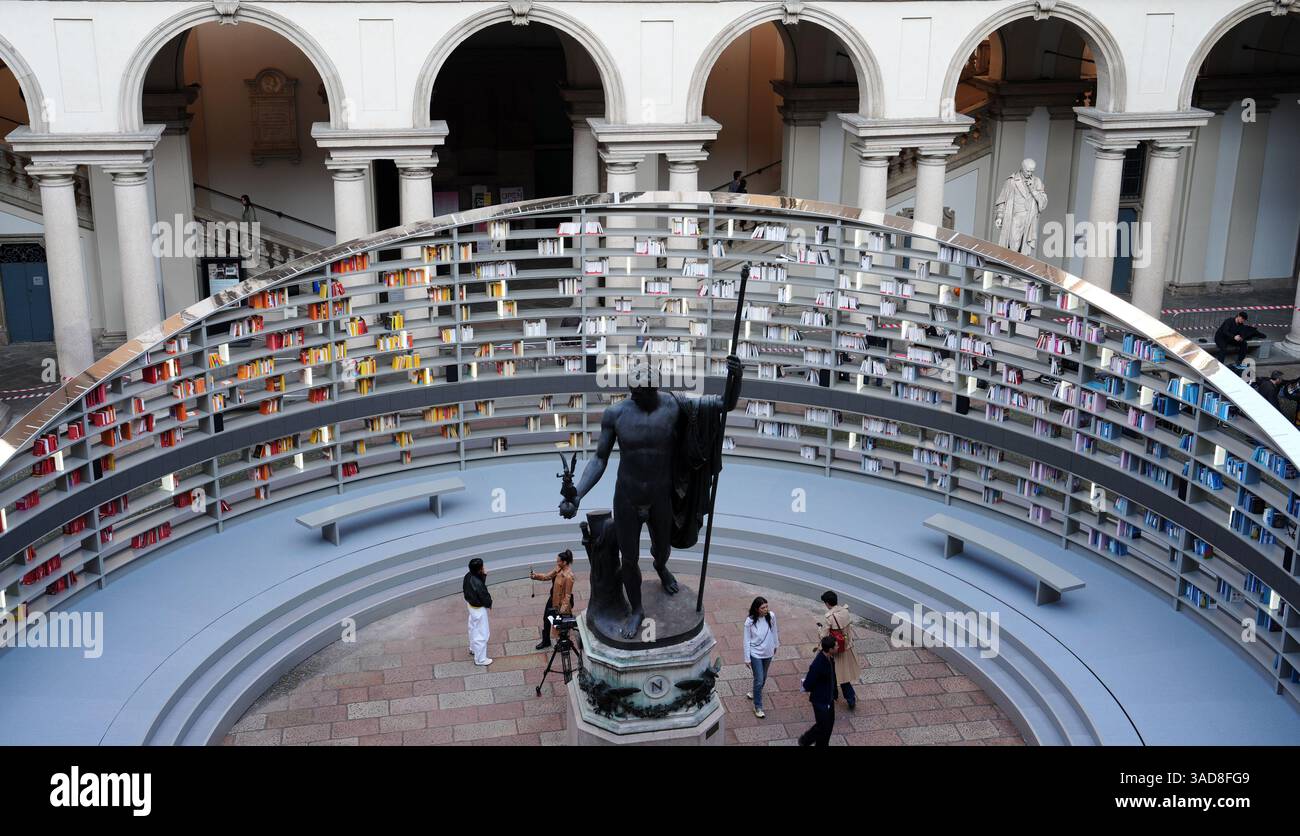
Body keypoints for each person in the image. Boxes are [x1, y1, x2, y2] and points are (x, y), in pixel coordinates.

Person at [816, 590, 862, 710]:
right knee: (843, 674)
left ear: (827, 603)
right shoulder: (845, 611)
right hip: (846, 647)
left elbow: (824, 636)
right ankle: (849, 698)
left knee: (836, 674)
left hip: (835, 650)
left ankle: (837, 696)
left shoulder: (829, 617)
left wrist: (819, 629)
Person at [993, 158, 1048, 256]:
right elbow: (1003, 200)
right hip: (1015, 217)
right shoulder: (1012, 181)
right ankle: (1010, 264)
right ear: (1022, 168)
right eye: (1028, 170)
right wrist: (1000, 216)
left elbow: (1043, 203)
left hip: (1029, 219)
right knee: (1013, 244)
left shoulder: (1036, 182)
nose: (1030, 173)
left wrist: (1033, 190)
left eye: (1032, 171)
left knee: (1024, 248)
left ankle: (1018, 265)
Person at [530, 549, 576, 650]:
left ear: (564, 562)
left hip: (561, 603)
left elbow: (567, 595)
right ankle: (546, 641)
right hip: (553, 599)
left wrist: (562, 610)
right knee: (546, 619)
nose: (557, 562)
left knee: (560, 623)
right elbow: (547, 576)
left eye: (559, 561)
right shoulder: (558, 569)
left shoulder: (569, 576)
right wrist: (536, 576)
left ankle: (563, 644)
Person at [742, 596, 779, 719]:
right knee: (759, 679)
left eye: (767, 606)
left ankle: (755, 691)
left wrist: (775, 644)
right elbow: (746, 640)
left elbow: (774, 631)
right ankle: (758, 706)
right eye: (763, 607)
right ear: (757, 609)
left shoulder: (771, 616)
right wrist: (747, 658)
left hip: (768, 652)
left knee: (763, 676)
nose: (766, 609)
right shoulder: (750, 622)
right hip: (755, 653)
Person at [798, 635, 838, 746]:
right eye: (836, 645)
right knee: (822, 725)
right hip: (820, 700)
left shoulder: (830, 658)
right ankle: (805, 740)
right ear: (830, 649)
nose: (838, 646)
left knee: (828, 725)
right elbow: (807, 684)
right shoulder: (818, 664)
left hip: (829, 698)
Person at [462, 558, 493, 666]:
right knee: (482, 634)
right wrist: (489, 604)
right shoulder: (478, 582)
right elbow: (483, 593)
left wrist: (483, 575)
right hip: (479, 609)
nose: (484, 568)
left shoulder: (468, 575)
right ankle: (480, 659)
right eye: (482, 567)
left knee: (473, 628)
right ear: (479, 569)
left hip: (471, 606)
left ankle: (473, 648)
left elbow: (477, 585)